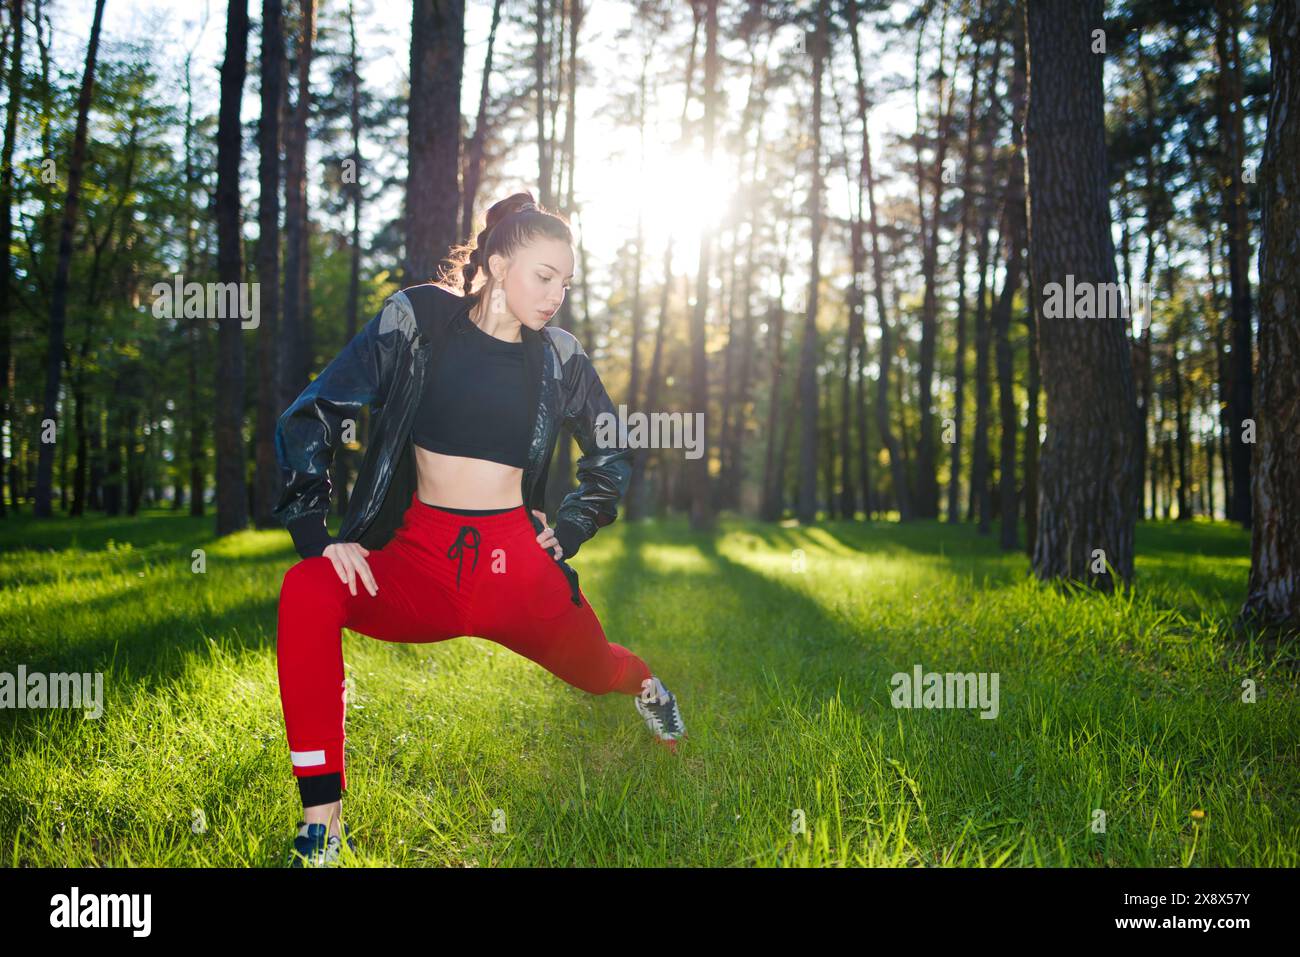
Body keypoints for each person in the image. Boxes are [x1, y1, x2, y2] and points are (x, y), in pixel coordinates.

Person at [272, 192, 685, 867]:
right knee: (308, 588)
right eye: (543, 275)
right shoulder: (418, 320)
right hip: (418, 562)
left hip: (516, 570)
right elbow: (312, 410)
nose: (556, 296)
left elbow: (611, 451)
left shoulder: (558, 356)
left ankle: (649, 687)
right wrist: (318, 535)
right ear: (496, 262)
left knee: (597, 667)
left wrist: (573, 525)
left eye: (567, 283)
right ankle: (323, 828)